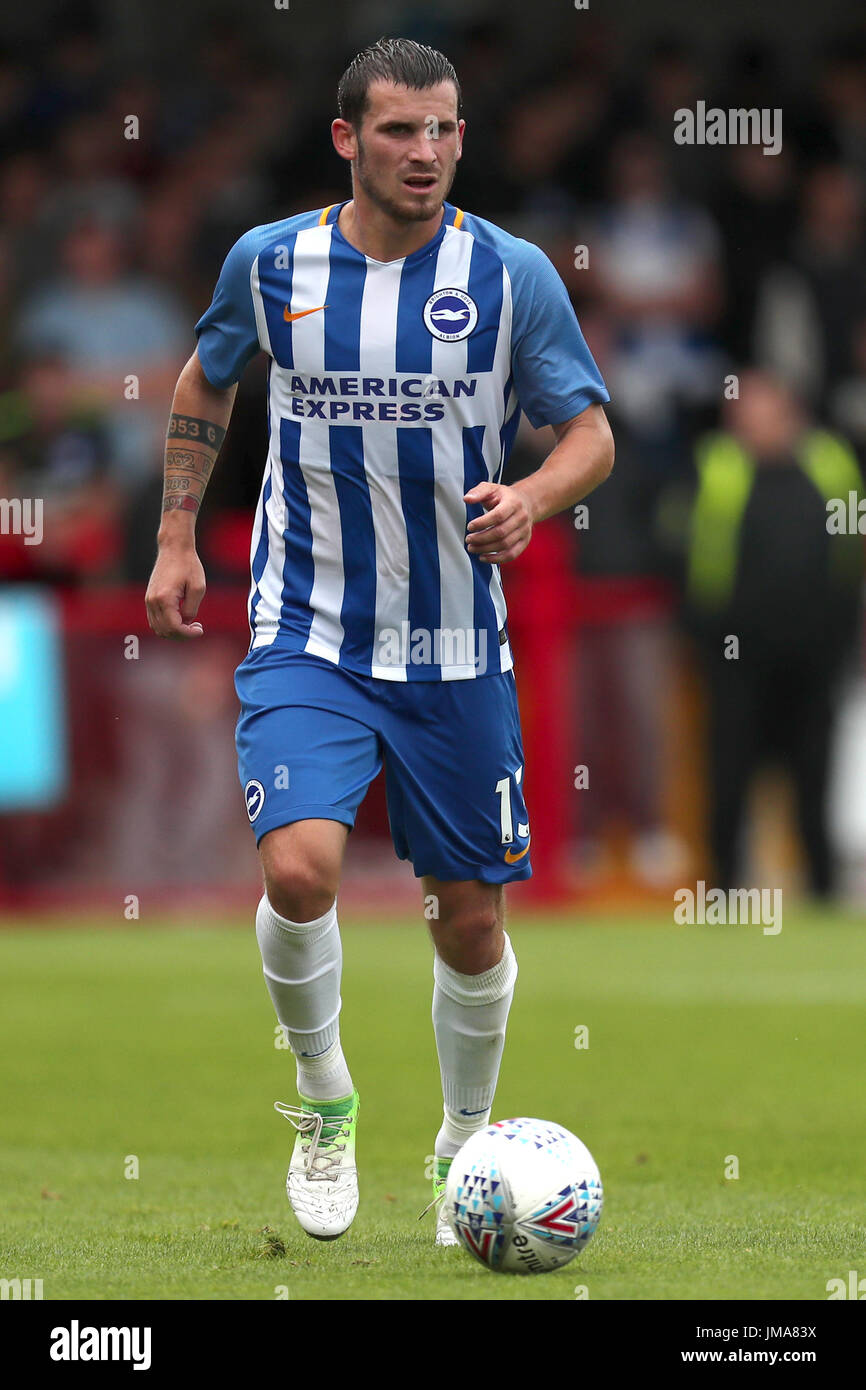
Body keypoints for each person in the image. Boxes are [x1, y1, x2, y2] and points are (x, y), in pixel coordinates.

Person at [145, 38, 613, 1246]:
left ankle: (464, 1139)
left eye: (444, 129)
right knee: (298, 868)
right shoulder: (271, 262)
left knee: (470, 922)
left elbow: (589, 433)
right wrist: (177, 537)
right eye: (400, 130)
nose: (426, 151)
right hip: (309, 628)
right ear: (347, 139)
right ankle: (320, 1098)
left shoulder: (508, 275)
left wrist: (535, 496)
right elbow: (204, 385)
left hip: (457, 649)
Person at [676, 370, 862, 895]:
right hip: (734, 659)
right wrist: (702, 634)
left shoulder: (832, 462)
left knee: (815, 775)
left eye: (759, 410)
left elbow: (851, 552)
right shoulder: (716, 463)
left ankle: (823, 890)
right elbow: (686, 551)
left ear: (789, 411)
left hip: (816, 655)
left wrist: (843, 639)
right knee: (728, 774)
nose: (748, 422)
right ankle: (723, 891)